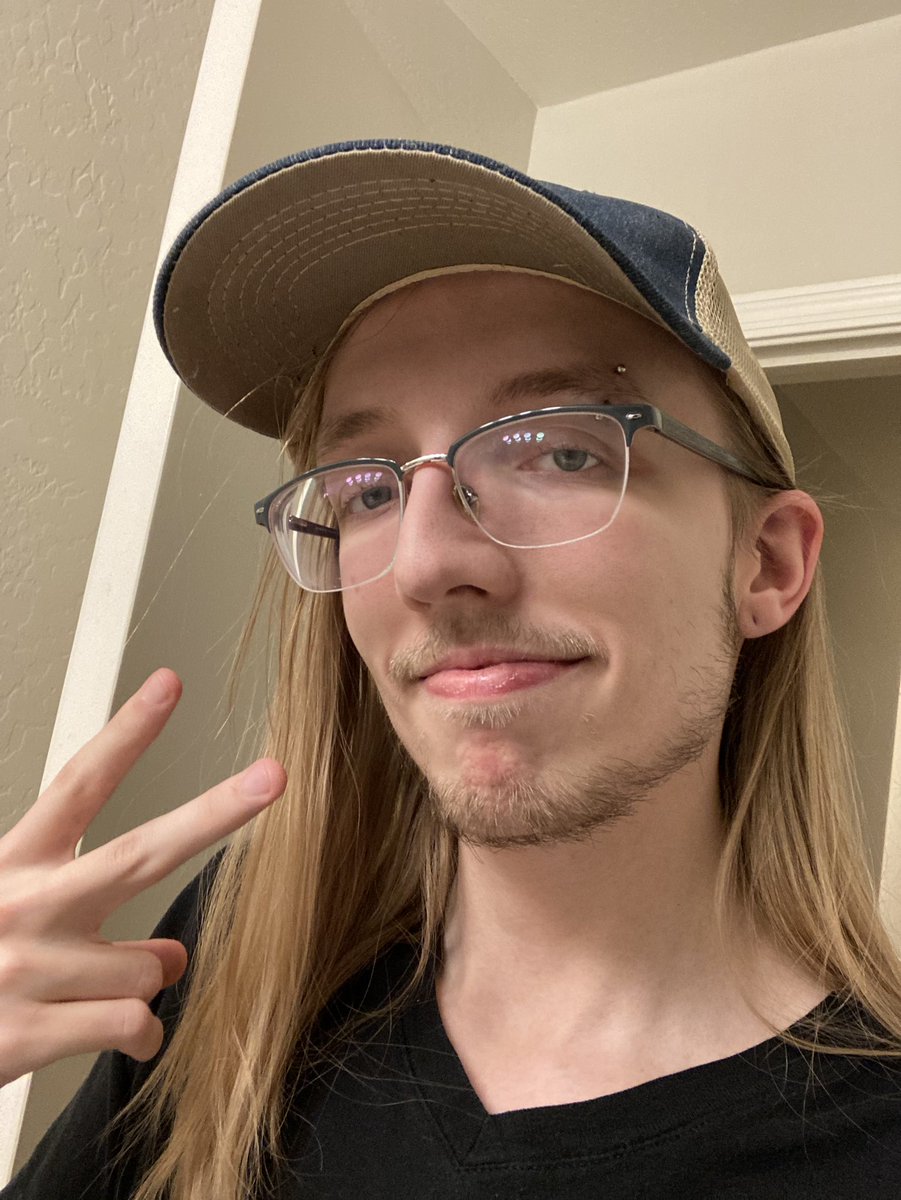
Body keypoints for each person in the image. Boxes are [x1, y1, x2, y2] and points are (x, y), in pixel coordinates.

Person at [3, 139, 900, 1199]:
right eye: (369, 490)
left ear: (767, 564)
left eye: (561, 448)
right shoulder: (238, 962)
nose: (425, 563)